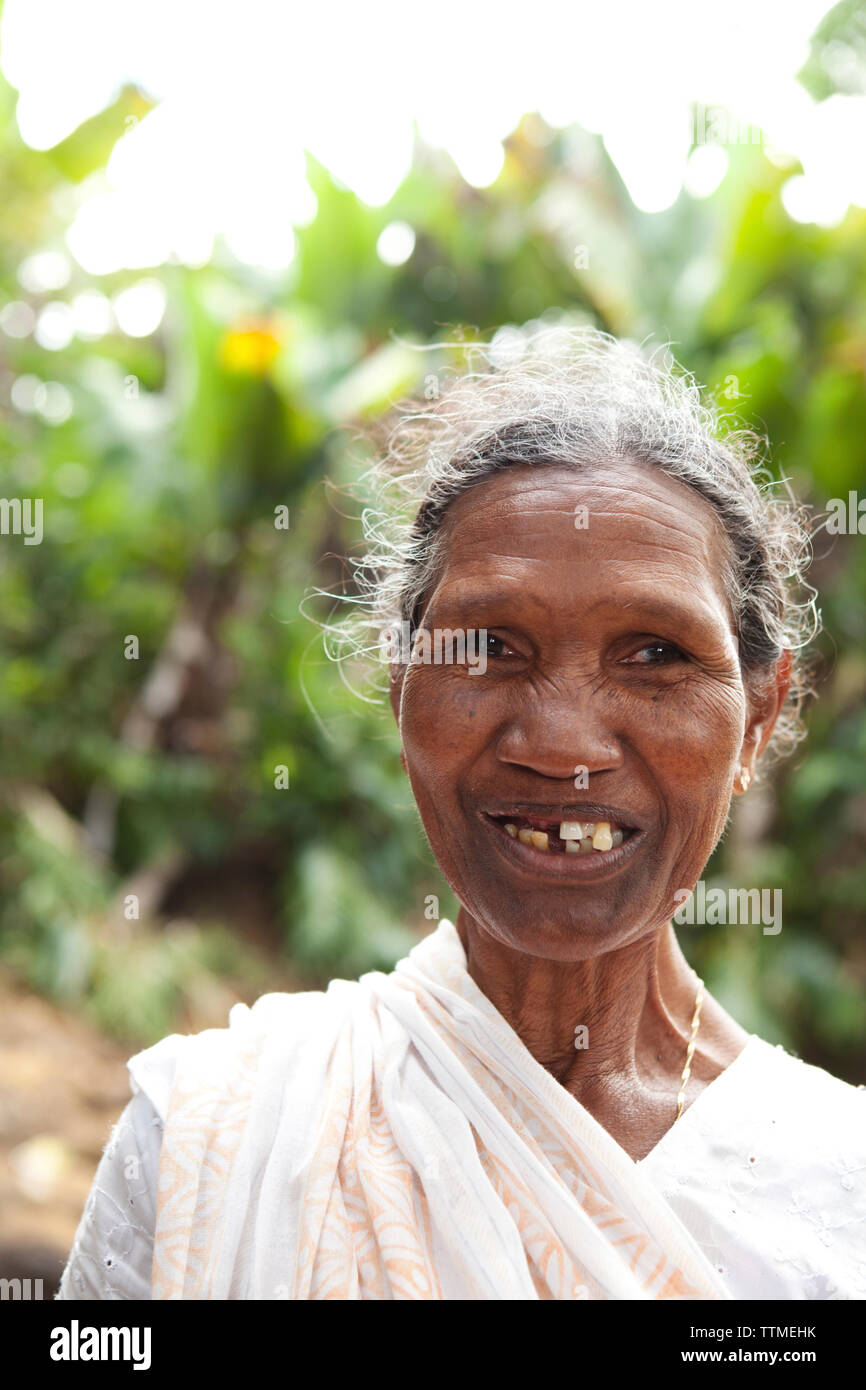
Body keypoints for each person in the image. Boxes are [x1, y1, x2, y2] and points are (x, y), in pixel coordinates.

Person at [58, 327, 865, 1301]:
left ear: (757, 718)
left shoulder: (834, 1192)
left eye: (653, 654)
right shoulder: (199, 1134)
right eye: (487, 646)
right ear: (401, 686)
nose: (563, 746)